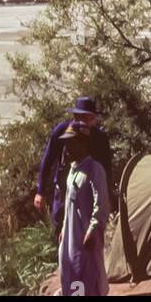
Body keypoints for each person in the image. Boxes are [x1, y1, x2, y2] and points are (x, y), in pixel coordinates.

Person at [35, 97, 114, 233]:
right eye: (81, 116)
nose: (85, 121)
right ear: (75, 116)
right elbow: (48, 160)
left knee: (84, 229)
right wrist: (40, 192)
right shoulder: (62, 131)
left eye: (89, 117)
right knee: (60, 226)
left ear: (94, 118)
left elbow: (106, 168)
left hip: (87, 191)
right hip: (63, 187)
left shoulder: (100, 139)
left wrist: (107, 196)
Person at [57, 124, 110, 297]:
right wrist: (64, 229)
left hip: (85, 237)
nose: (67, 148)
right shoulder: (73, 170)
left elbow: (101, 203)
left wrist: (93, 229)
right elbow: (68, 206)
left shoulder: (94, 169)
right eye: (66, 144)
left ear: (82, 144)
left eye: (71, 143)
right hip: (71, 236)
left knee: (87, 277)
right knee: (71, 275)